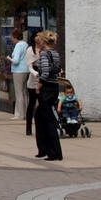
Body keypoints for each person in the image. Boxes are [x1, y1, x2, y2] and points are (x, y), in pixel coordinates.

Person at [33, 31, 64, 161]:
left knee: (48, 120)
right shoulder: (55, 53)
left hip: (46, 89)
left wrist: (38, 86)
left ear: (44, 41)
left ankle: (54, 152)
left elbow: (45, 72)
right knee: (39, 116)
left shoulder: (45, 54)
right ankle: (43, 149)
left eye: (40, 39)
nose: (38, 41)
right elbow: (57, 69)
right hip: (54, 87)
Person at [9, 28, 29, 120]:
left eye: (12, 37)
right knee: (24, 92)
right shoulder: (25, 44)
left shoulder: (18, 46)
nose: (11, 39)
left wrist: (9, 59)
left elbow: (16, 60)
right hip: (26, 70)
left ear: (15, 37)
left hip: (18, 71)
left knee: (19, 92)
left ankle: (19, 114)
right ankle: (25, 113)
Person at [24, 32, 41, 136]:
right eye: (36, 35)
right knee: (32, 103)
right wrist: (35, 73)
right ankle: (28, 127)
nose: (38, 38)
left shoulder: (44, 48)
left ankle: (42, 125)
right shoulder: (30, 50)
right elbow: (29, 66)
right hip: (34, 77)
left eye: (40, 35)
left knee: (43, 104)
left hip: (43, 77)